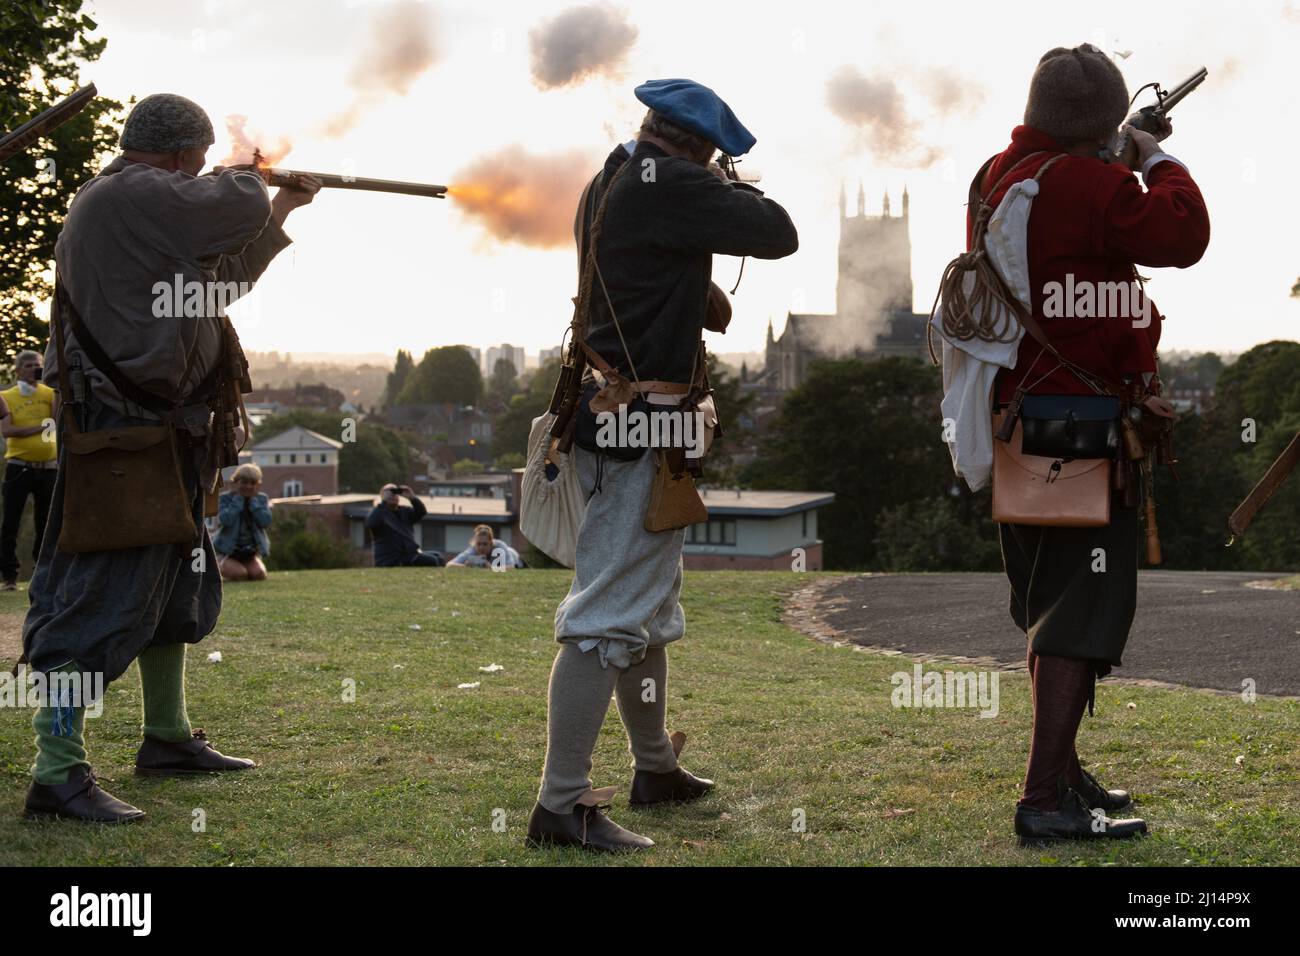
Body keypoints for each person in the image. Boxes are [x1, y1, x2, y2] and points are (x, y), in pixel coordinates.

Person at [20, 93, 320, 823]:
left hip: (166, 437)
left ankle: (166, 737)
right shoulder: (131, 193)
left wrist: (280, 213)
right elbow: (231, 201)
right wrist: (251, 170)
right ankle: (55, 771)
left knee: (173, 593)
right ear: (185, 153)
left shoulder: (153, 213)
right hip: (125, 435)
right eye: (200, 157)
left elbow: (225, 284)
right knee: (94, 599)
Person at [526, 79, 798, 852]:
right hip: (641, 424)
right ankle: (560, 805)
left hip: (614, 416)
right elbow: (780, 232)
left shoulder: (613, 176)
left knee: (643, 614)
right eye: (714, 155)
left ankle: (654, 769)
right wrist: (715, 185)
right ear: (701, 147)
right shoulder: (671, 183)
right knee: (606, 617)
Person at [970, 46, 1210, 844]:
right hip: (1083, 425)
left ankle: (1064, 776)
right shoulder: (1087, 183)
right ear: (1099, 126)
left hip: (1021, 421)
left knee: (1048, 604)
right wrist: (1154, 157)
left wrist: (1114, 151)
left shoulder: (998, 176)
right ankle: (1044, 799)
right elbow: (1183, 232)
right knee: (1079, 612)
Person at [0, 350, 59, 590]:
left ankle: (42, 571)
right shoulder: (7, 396)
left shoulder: (49, 394)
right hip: (19, 466)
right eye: (28, 366)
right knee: (10, 523)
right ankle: (9, 576)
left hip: (48, 467)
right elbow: (8, 430)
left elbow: (56, 422)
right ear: (17, 369)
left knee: (45, 523)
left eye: (38, 366)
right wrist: (40, 426)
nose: (34, 370)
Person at [214, 463, 272, 582]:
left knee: (259, 575)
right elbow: (225, 520)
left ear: (258, 485)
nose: (248, 486)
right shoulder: (225, 499)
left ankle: (245, 567)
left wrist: (253, 504)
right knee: (240, 575)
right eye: (244, 482)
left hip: (249, 554)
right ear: (235, 482)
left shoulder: (262, 499)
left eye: (252, 483)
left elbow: (265, 522)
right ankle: (219, 564)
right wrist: (238, 500)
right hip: (228, 552)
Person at [365, 484, 444, 567]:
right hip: (390, 559)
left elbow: (421, 512)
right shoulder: (380, 513)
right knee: (432, 561)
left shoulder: (404, 511)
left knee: (438, 557)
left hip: (409, 554)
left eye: (395, 492)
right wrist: (382, 502)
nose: (393, 495)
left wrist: (412, 497)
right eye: (388, 493)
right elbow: (371, 523)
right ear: (382, 497)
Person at [446, 524, 524, 569]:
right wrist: (466, 566)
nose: (481, 547)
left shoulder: (500, 546)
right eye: (478, 544)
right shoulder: (472, 550)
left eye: (485, 544)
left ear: (491, 542)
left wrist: (491, 568)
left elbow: (511, 568)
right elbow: (449, 565)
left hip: (516, 559)